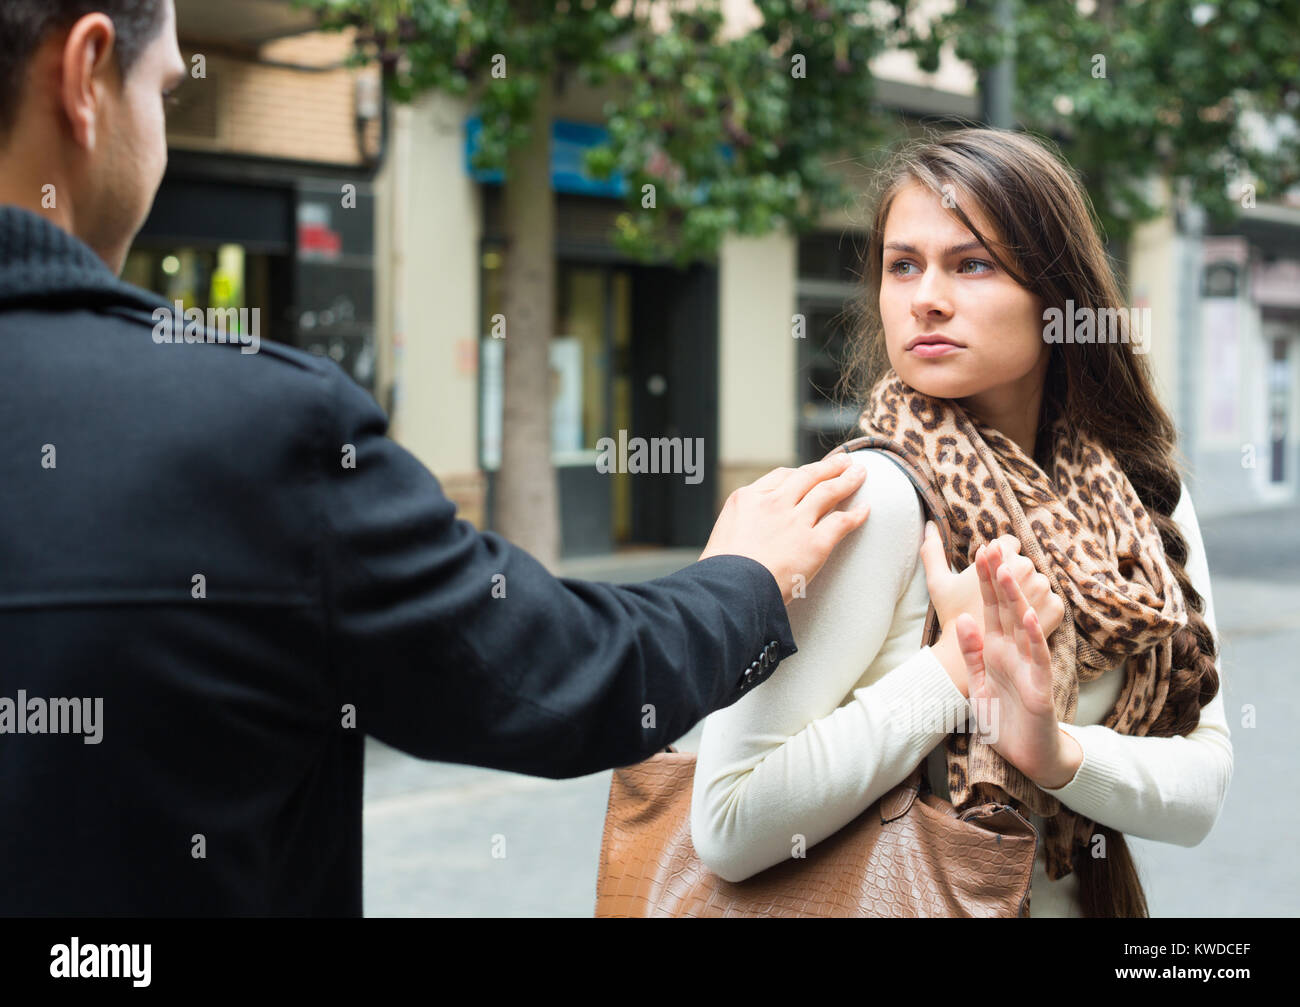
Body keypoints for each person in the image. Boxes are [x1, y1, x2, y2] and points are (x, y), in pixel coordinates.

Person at [0, 0, 873, 915]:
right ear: (87, 75)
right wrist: (746, 582)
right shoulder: (254, 429)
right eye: (167, 93)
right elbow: (556, 675)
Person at [690, 127, 1234, 918]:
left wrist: (1055, 752)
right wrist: (954, 671)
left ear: (1059, 297)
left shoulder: (1146, 500)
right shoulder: (873, 501)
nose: (926, 297)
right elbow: (728, 822)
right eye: (902, 264)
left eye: (971, 263)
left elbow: (1203, 786)